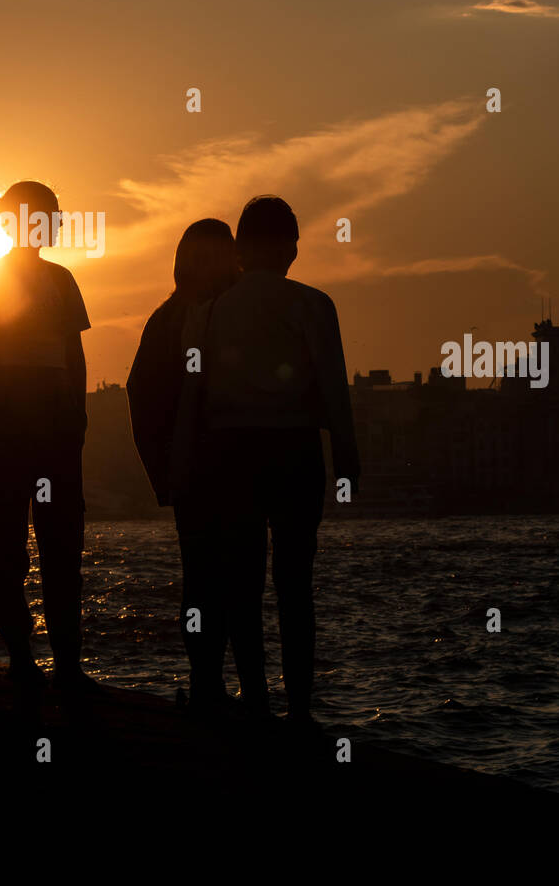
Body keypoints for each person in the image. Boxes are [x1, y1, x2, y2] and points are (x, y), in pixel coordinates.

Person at [196, 195, 359, 725]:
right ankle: (300, 708)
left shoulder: (214, 311)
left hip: (232, 451)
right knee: (294, 583)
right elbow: (334, 388)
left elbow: (199, 394)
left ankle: (256, 701)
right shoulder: (314, 305)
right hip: (295, 449)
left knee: (241, 581)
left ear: (241, 249)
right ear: (291, 247)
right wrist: (348, 455)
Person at [0, 180, 95, 692]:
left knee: (56, 548)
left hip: (50, 431)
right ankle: (27, 663)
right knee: (16, 548)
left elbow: (74, 358)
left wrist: (77, 419)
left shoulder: (61, 281)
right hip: (13, 432)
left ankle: (62, 667)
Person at [127, 219, 239, 712]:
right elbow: (141, 394)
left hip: (212, 468)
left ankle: (212, 688)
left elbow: (139, 394)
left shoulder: (170, 318)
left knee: (217, 578)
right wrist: (164, 467)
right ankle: (212, 686)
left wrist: (163, 468)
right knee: (216, 578)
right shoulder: (177, 320)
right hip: (206, 469)